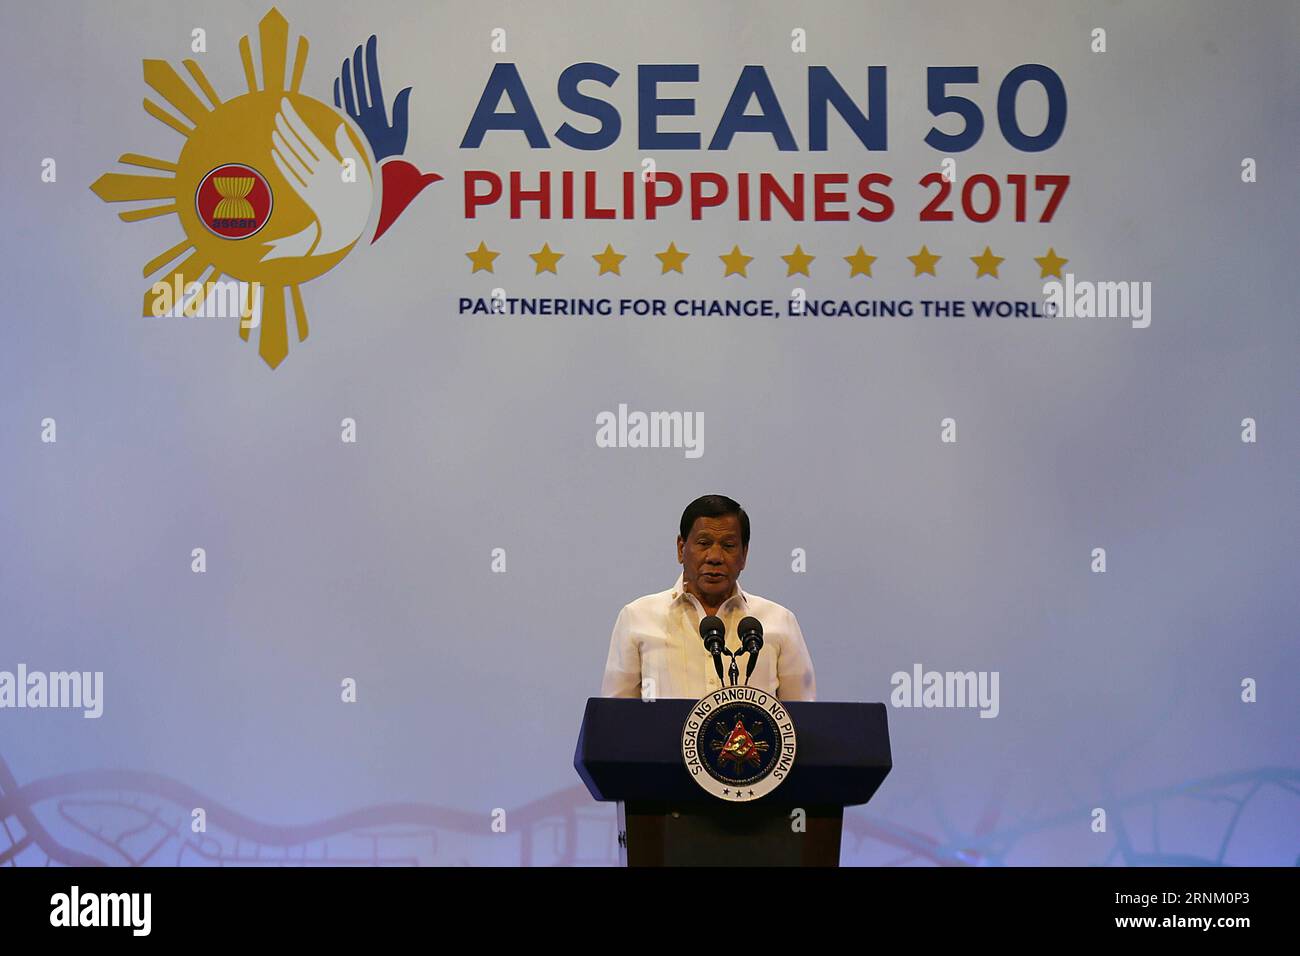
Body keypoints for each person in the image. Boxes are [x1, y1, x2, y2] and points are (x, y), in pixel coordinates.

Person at [600, 494, 816, 701]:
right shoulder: (637, 617)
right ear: (681, 548)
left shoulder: (779, 621)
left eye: (729, 546)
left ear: (744, 555)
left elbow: (803, 719)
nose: (714, 557)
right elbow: (616, 720)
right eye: (704, 543)